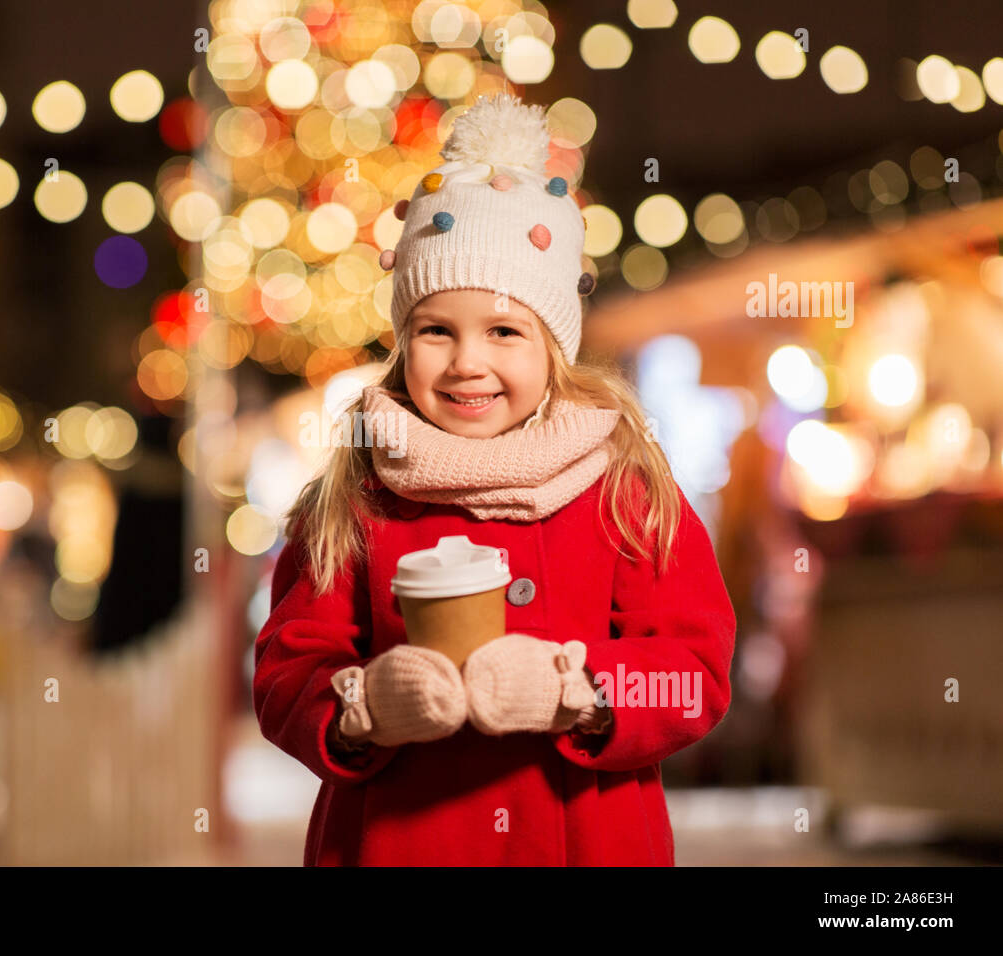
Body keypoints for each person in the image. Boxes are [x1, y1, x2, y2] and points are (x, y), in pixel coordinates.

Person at [253, 93, 737, 865]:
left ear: (554, 347)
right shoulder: (355, 497)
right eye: (435, 330)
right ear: (402, 342)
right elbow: (287, 669)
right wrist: (362, 704)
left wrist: (572, 690)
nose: (467, 362)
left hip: (585, 841)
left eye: (505, 332)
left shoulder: (623, 489)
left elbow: (692, 677)